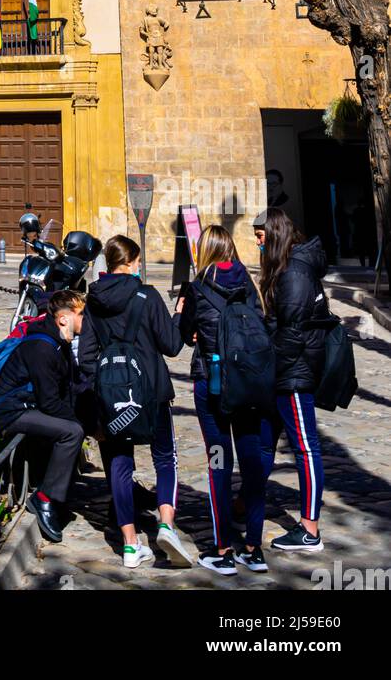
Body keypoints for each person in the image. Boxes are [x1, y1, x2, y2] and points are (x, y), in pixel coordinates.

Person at [78, 234, 193, 570]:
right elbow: (172, 345)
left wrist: (101, 391)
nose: (140, 267)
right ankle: (167, 524)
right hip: (153, 390)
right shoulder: (147, 294)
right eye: (138, 261)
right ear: (129, 263)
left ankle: (130, 544)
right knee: (164, 457)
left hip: (114, 395)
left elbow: (86, 357)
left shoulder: (94, 300)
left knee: (119, 463)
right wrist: (178, 316)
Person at [179, 224, 272, 575]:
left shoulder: (198, 285)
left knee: (219, 464)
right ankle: (254, 549)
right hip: (248, 387)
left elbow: (183, 338)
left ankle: (222, 550)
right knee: (250, 465)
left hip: (213, 388)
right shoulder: (247, 282)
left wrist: (183, 311)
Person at [0, 290, 91, 543]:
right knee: (72, 431)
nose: (85, 320)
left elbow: (69, 388)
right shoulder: (42, 347)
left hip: (29, 407)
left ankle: (55, 494)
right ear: (64, 319)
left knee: (73, 427)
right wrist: (81, 424)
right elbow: (49, 403)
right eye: (81, 314)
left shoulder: (60, 342)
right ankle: (44, 498)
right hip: (10, 412)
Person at [260, 209, 328, 552]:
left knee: (305, 447)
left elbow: (293, 332)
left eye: (260, 237)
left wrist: (271, 365)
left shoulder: (294, 274)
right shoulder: (288, 270)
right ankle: (247, 504)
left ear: (274, 236)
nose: (258, 244)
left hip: (294, 374)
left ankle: (309, 529)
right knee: (263, 442)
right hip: (285, 371)